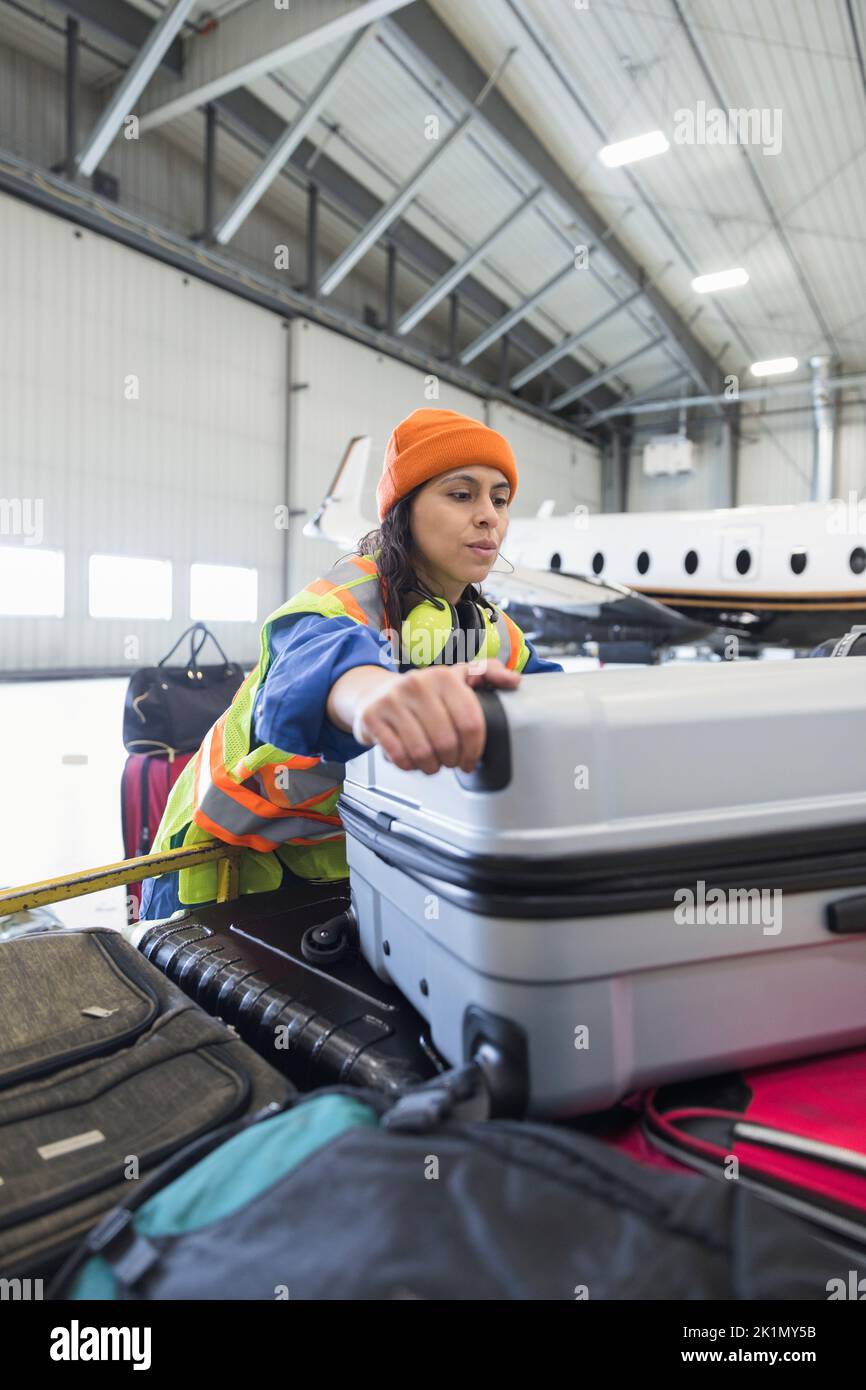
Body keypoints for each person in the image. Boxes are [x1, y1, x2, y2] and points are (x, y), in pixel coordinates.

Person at [139, 408, 563, 920]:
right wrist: (376, 698)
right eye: (460, 494)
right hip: (220, 874)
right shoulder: (344, 598)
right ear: (403, 511)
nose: (488, 515)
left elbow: (559, 709)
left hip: (343, 872)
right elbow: (316, 669)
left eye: (499, 499)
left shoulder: (494, 633)